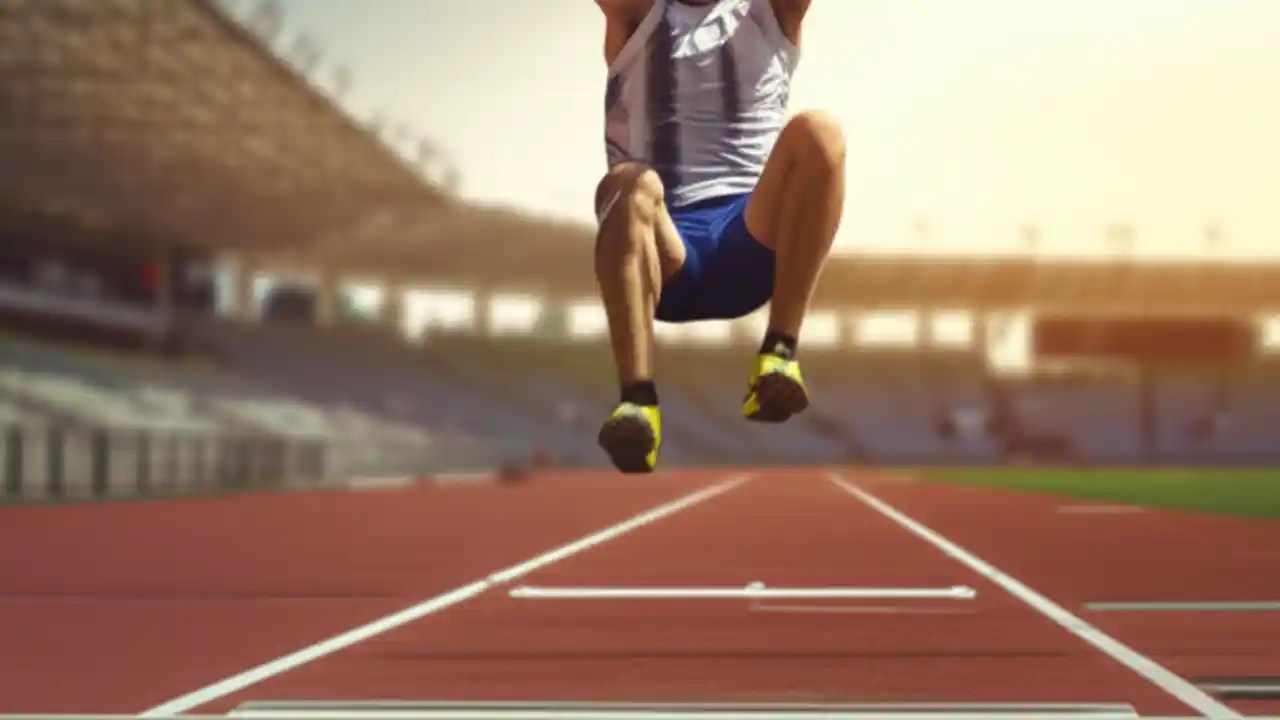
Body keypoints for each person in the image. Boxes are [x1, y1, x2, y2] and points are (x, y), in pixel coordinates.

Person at [593, 0, 845, 472]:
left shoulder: (770, 11)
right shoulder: (636, 11)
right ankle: (637, 403)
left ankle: (780, 353)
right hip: (663, 252)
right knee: (628, 184)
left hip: (751, 238)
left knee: (821, 132)